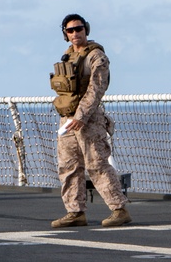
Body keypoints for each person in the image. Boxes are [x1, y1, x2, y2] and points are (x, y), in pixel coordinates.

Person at [49, 14, 131, 228]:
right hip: (68, 120)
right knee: (68, 166)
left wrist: (81, 116)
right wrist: (71, 116)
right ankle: (75, 212)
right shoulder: (68, 56)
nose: (75, 33)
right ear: (65, 34)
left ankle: (119, 209)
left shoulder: (96, 56)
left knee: (97, 164)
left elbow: (96, 89)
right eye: (70, 30)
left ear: (86, 29)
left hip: (89, 120)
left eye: (79, 28)